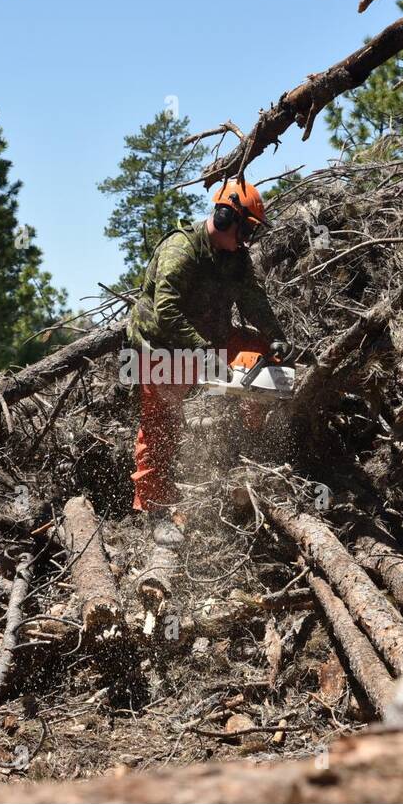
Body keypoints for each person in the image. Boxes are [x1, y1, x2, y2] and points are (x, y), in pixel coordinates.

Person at [126, 179, 294, 543]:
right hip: (163, 347)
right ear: (223, 216)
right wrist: (200, 350)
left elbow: (252, 297)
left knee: (258, 348)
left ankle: (252, 436)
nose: (247, 237)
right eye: (246, 227)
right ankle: (155, 511)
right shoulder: (181, 249)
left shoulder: (235, 256)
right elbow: (165, 310)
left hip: (208, 337)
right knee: (161, 425)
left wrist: (274, 333)